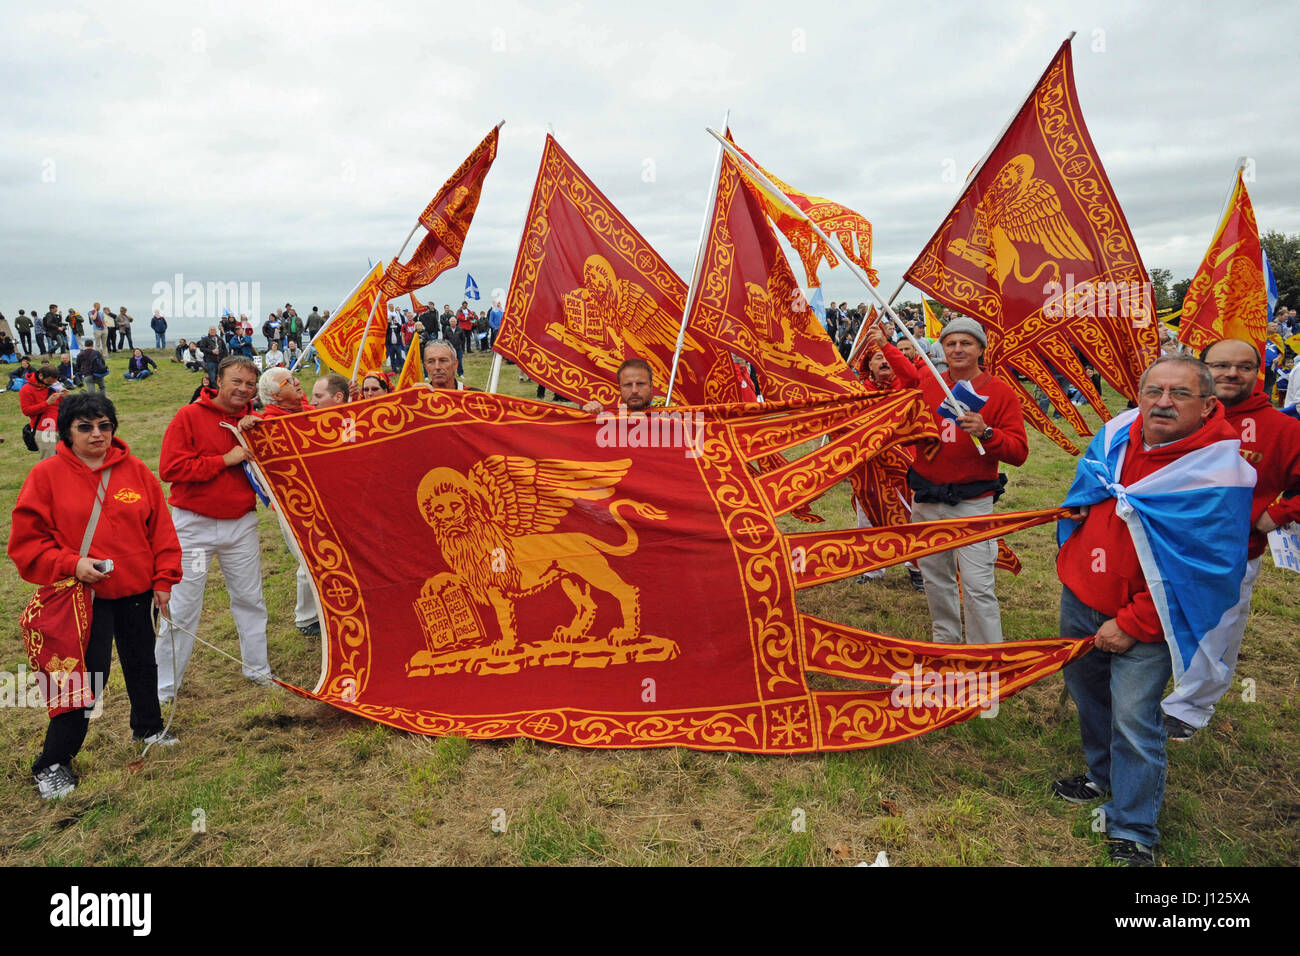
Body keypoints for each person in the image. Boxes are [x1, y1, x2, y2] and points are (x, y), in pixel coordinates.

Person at [1052, 353, 1255, 866]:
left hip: (1145, 621)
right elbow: (1092, 486)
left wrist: (1134, 622)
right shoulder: (1118, 436)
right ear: (1138, 396)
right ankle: (1102, 775)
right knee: (1090, 696)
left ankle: (1134, 826)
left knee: (1135, 719)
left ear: (1208, 405)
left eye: (1179, 394)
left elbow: (1205, 571)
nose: (1163, 403)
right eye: (1153, 391)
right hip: (1083, 597)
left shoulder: (1216, 473)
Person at [8, 393, 183, 799]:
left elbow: (161, 531)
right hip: (82, 599)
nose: (97, 434)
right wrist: (72, 563)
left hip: (137, 590)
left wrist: (163, 579)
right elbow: (26, 543)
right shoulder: (46, 476)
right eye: (85, 426)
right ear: (67, 431)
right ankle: (52, 762)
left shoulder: (137, 471)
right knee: (88, 678)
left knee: (142, 662)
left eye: (104, 425)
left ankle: (149, 729)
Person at [1159, 339, 1300, 741]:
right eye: (1220, 365)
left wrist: (1276, 515)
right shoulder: (1174, 412)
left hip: (1231, 555)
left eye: (1243, 366)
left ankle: (1189, 709)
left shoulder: (1282, 428)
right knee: (1157, 622)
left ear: (1259, 371)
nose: (1231, 373)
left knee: (1216, 630)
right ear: (1201, 367)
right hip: (1162, 543)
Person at [156, 356, 272, 700]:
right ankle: (163, 687)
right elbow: (170, 468)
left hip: (241, 527)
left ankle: (258, 669)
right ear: (217, 381)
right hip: (194, 529)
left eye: (250, 384)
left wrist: (260, 432)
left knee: (250, 598)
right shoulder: (189, 416)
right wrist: (224, 460)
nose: (243, 389)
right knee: (183, 605)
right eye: (236, 382)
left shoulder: (253, 421)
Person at [908, 318, 1028, 643]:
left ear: (980, 349)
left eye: (966, 343)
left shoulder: (1000, 392)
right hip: (927, 499)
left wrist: (987, 433)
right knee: (935, 578)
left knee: (977, 585)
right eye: (951, 343)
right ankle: (946, 645)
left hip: (971, 504)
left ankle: (986, 660)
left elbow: (1019, 452)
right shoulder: (926, 382)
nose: (957, 349)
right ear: (942, 349)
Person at [240, 367, 319, 636]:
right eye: (289, 381)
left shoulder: (308, 410)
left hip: (321, 498)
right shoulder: (265, 425)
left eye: (294, 378)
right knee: (308, 559)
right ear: (275, 395)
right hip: (291, 504)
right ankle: (307, 618)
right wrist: (248, 425)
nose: (297, 382)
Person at [851, 324, 926, 590]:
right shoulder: (858, 392)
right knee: (868, 515)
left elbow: (912, 376)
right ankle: (873, 568)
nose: (883, 360)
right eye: (877, 358)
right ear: (868, 366)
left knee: (912, 513)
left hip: (905, 461)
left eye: (886, 357)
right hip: (868, 464)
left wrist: (885, 345)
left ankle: (915, 566)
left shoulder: (904, 386)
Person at [580, 358, 658, 413]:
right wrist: (586, 418)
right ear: (620, 388)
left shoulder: (668, 412)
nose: (634, 390)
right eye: (628, 385)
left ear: (651, 387)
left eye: (640, 384)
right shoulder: (606, 418)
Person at [20, 365, 65, 460]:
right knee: (49, 462)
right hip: (44, 429)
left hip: (61, 427)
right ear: (40, 376)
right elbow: (26, 411)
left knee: (65, 460)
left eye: (53, 382)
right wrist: (46, 403)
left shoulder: (54, 386)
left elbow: (63, 406)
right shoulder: (26, 389)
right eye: (49, 382)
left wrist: (66, 397)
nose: (50, 384)